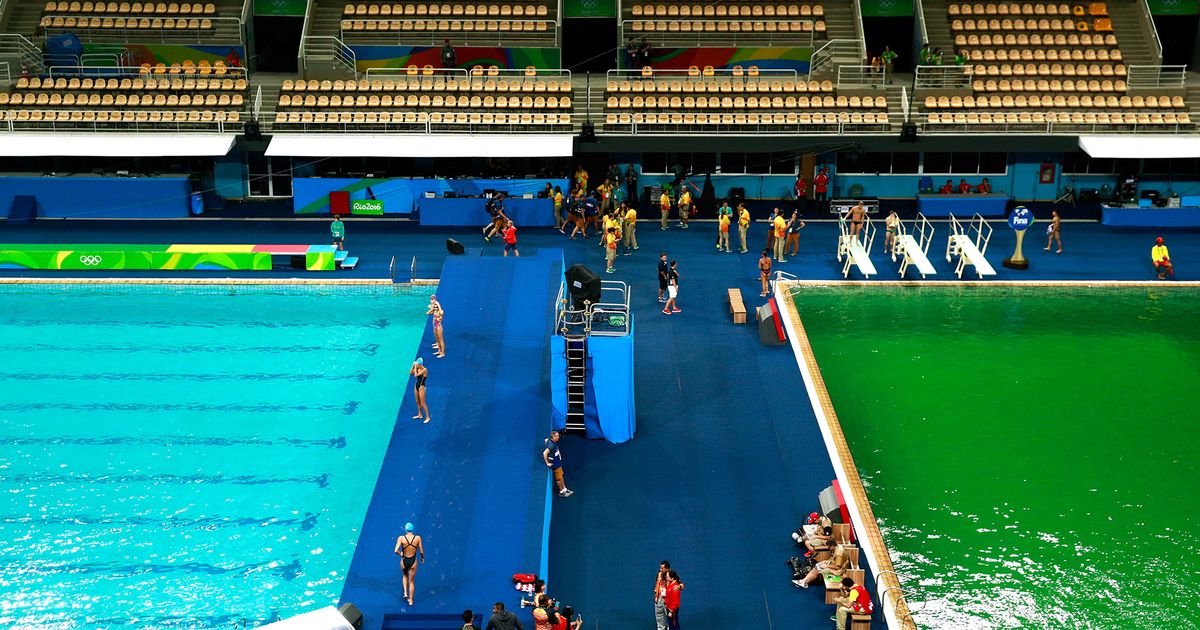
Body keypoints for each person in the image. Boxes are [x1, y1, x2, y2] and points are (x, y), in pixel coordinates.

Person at [394, 522, 425, 606]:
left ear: (405, 529)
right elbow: (421, 551)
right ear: (412, 529)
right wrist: (422, 558)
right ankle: (411, 601)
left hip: (404, 561)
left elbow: (395, 550)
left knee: (404, 576)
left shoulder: (401, 538)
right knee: (411, 582)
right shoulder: (417, 538)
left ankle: (405, 593)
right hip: (413, 562)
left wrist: (401, 555)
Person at [544, 430, 573, 497]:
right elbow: (544, 453)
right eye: (557, 436)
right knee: (558, 479)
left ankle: (564, 489)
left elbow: (546, 440)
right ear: (553, 437)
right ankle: (561, 492)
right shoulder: (551, 445)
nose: (558, 437)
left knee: (561, 476)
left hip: (558, 463)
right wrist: (547, 463)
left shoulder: (551, 441)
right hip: (555, 464)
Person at [410, 358, 430, 423]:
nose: (417, 365)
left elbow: (416, 375)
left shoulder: (425, 370)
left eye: (417, 364)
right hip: (416, 385)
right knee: (417, 401)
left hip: (421, 387)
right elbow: (410, 373)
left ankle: (428, 417)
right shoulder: (417, 368)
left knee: (423, 403)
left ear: (420, 365)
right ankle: (420, 414)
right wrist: (413, 366)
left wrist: (415, 367)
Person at [653, 561, 671, 630]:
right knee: (659, 615)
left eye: (662, 568)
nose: (660, 569)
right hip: (659, 597)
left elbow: (680, 584)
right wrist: (656, 593)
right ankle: (661, 628)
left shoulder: (672, 575)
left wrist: (679, 587)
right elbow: (657, 583)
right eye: (660, 568)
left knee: (670, 616)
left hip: (668, 599)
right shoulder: (659, 574)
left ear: (667, 569)